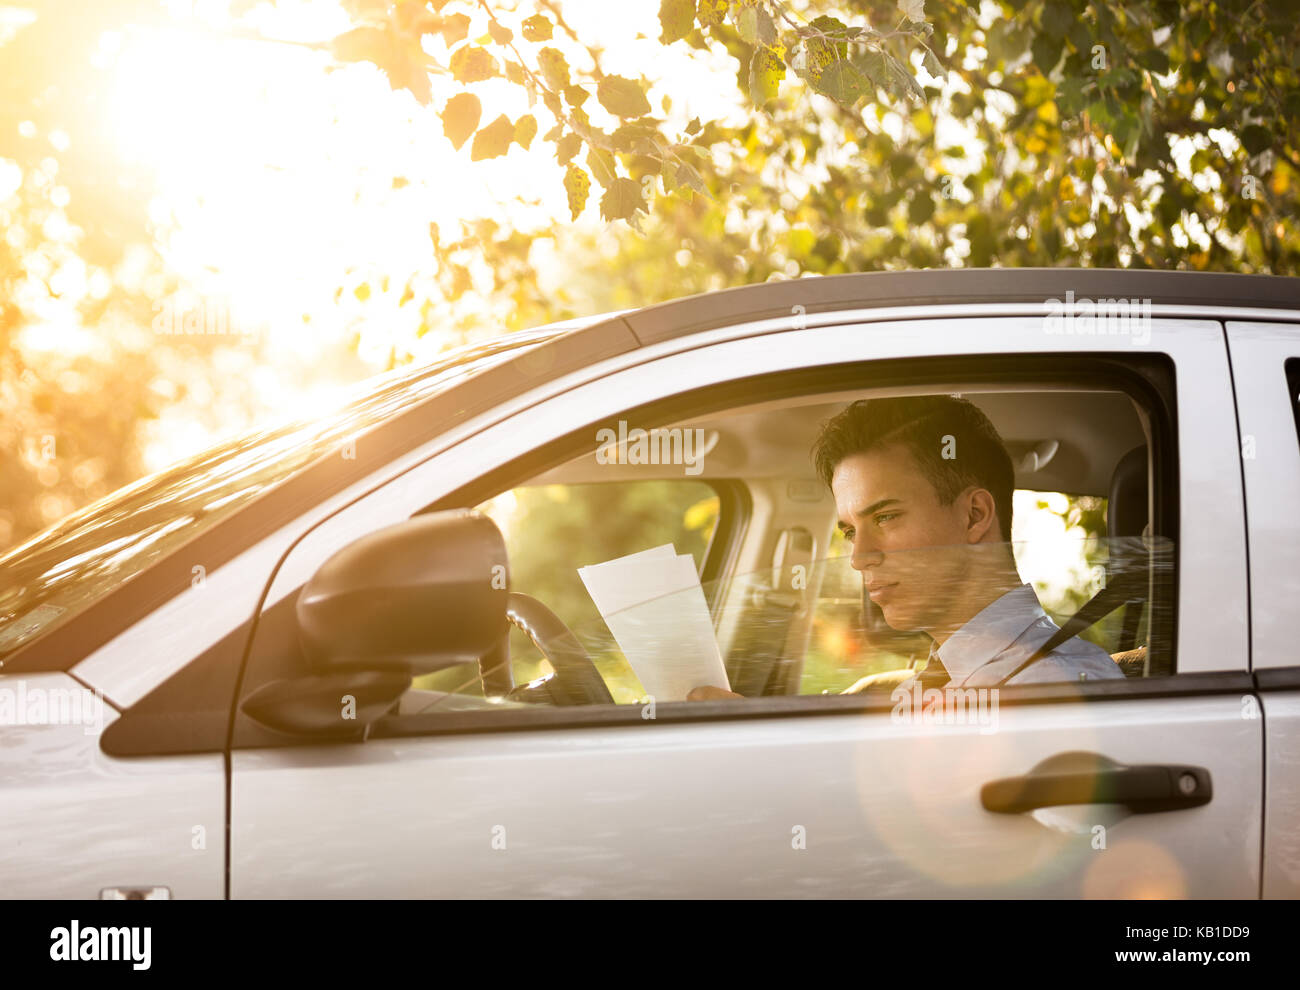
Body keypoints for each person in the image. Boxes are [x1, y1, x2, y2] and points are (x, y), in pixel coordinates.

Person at [687, 395, 1122, 701]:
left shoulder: (1057, 689)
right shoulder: (917, 690)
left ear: (974, 515)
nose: (859, 558)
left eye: (885, 517)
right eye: (850, 531)